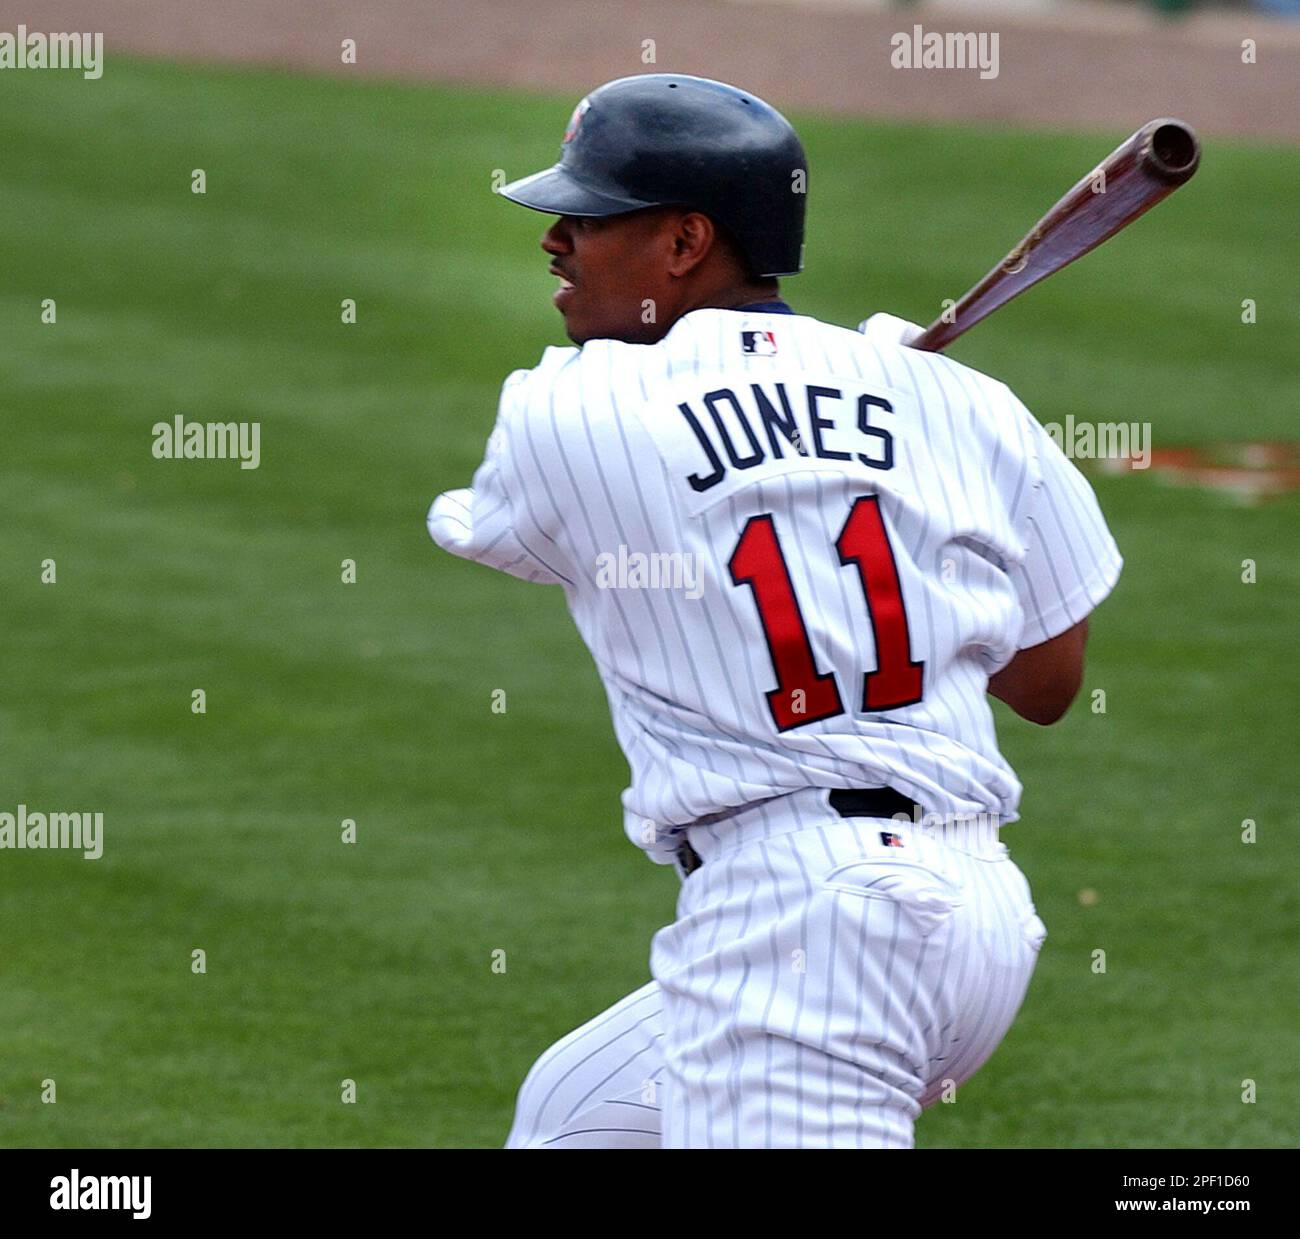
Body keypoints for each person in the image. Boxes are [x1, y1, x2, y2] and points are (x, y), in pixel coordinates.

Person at [427, 74, 1122, 1148]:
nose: (556, 239)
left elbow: (506, 529)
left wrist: (805, 429)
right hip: (972, 924)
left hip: (809, 929)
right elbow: (1044, 680)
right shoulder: (971, 408)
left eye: (591, 214)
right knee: (576, 1120)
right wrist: (874, 432)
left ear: (684, 242)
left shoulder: (571, 406)